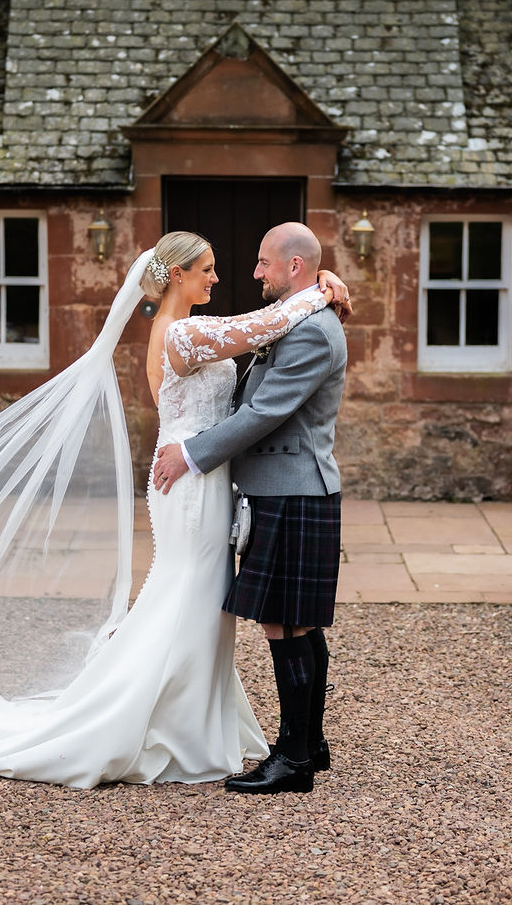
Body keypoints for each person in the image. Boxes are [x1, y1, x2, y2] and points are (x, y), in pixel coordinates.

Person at [0, 231, 348, 789]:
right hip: (188, 477)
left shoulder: (203, 328)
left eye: (248, 265)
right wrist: (319, 290)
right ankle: (155, 721)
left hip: (206, 477)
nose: (223, 277)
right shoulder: (183, 334)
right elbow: (259, 336)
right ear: (178, 276)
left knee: (207, 599)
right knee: (190, 592)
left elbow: (260, 338)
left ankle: (216, 726)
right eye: (207, 269)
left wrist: (317, 289)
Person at [152, 221, 349, 796]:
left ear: (294, 266)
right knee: (294, 620)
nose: (253, 272)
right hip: (283, 487)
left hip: (293, 488)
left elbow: (264, 412)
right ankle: (308, 745)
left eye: (264, 262)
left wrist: (191, 453)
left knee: (283, 621)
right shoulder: (299, 318)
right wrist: (323, 287)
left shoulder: (311, 332)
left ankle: (292, 758)